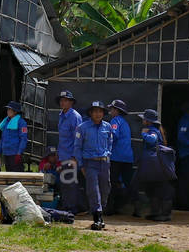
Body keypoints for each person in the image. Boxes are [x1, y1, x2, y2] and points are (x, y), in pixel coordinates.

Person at [76, 100, 115, 230]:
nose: (98, 114)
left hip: (104, 163)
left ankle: (100, 211)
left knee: (106, 188)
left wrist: (108, 154)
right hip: (90, 163)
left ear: (103, 113)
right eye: (95, 111)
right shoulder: (82, 127)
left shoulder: (108, 127)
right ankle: (97, 216)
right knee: (93, 190)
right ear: (90, 113)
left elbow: (110, 142)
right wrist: (81, 165)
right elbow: (77, 147)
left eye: (100, 111)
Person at [135, 109, 175, 221]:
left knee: (162, 188)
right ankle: (155, 212)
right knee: (152, 188)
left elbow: (152, 140)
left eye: (144, 119)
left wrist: (143, 133)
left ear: (148, 121)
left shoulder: (152, 130)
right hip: (153, 165)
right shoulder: (154, 129)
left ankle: (165, 214)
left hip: (156, 165)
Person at [55, 90, 86, 215]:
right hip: (63, 154)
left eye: (66, 100)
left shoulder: (75, 116)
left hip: (71, 155)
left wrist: (75, 156)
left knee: (70, 182)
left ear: (71, 102)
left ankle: (72, 208)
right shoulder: (61, 115)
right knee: (65, 182)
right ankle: (67, 206)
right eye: (62, 100)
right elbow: (61, 136)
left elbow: (78, 139)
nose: (63, 103)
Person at [106, 98, 136, 215]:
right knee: (128, 183)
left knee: (112, 183)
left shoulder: (115, 121)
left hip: (116, 158)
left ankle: (110, 208)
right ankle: (137, 207)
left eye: (112, 109)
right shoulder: (125, 122)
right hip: (128, 158)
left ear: (117, 110)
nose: (110, 111)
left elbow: (113, 136)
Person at [0, 101, 28, 172]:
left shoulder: (21, 123)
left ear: (15, 111)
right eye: (8, 109)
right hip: (6, 153)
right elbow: (2, 138)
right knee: (9, 175)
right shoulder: (6, 122)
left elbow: (24, 139)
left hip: (15, 154)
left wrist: (19, 153)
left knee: (17, 176)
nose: (8, 111)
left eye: (10, 109)